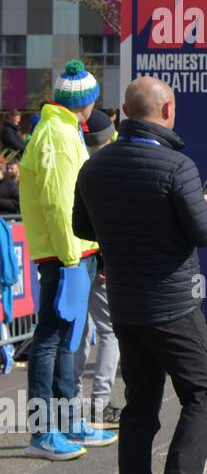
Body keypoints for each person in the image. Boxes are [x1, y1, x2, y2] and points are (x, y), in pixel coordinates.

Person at [72, 76, 207, 474]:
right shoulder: (177, 165)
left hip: (127, 306)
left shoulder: (96, 165)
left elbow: (81, 226)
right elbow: (205, 233)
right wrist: (199, 206)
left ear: (124, 112)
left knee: (140, 408)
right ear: (168, 110)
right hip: (173, 303)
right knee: (203, 393)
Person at [19, 60, 117, 461]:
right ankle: (44, 432)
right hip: (68, 254)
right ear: (89, 101)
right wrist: (72, 256)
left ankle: (67, 421)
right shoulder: (58, 135)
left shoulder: (60, 130)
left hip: (73, 251)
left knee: (68, 338)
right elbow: (60, 203)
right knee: (53, 338)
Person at [75, 109, 123, 428]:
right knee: (108, 331)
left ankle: (72, 400)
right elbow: (109, 220)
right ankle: (100, 402)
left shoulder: (74, 160)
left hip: (72, 257)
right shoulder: (109, 168)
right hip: (95, 256)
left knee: (79, 333)